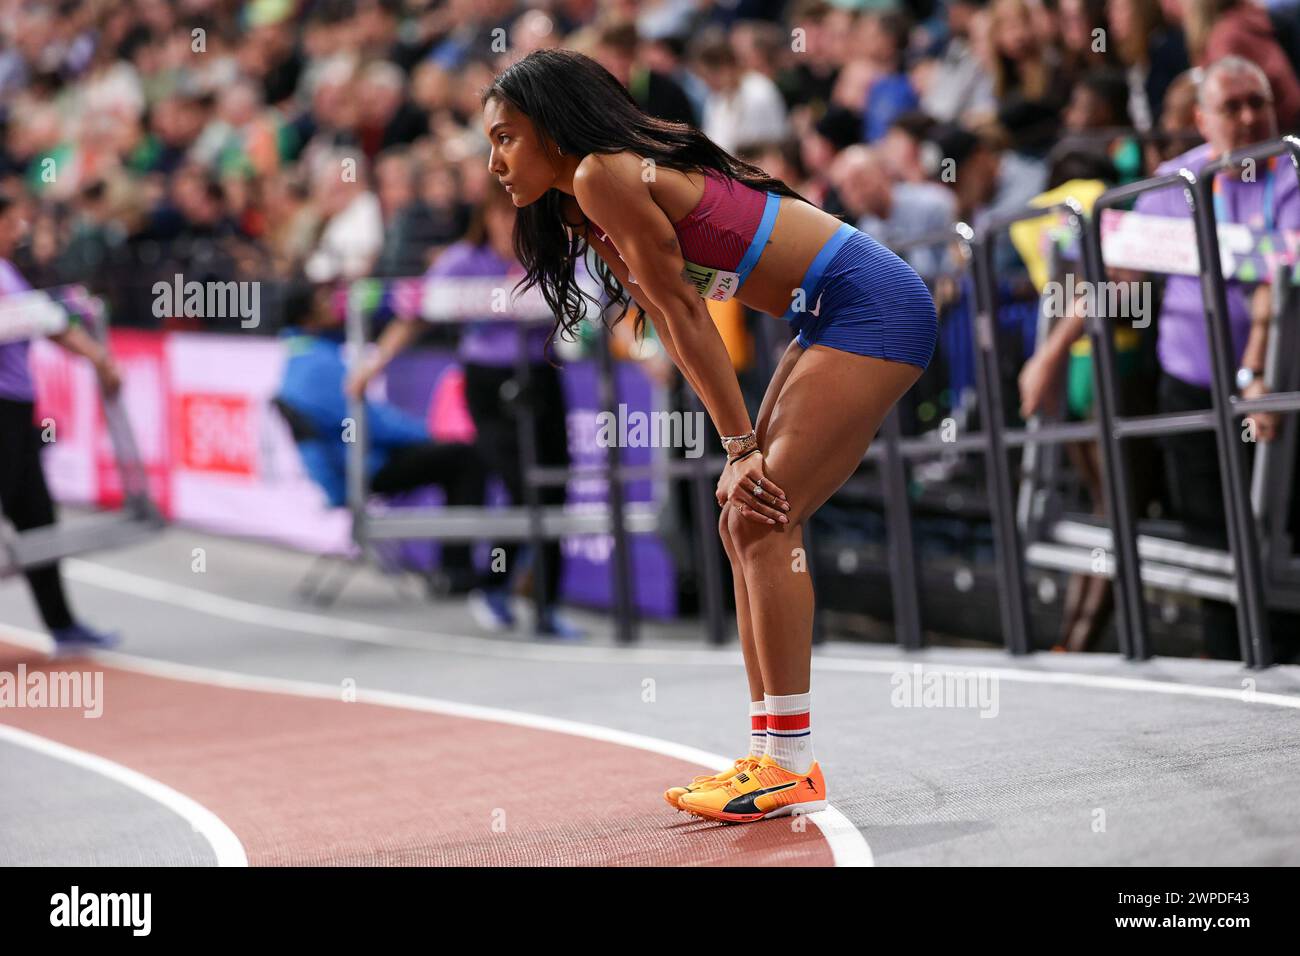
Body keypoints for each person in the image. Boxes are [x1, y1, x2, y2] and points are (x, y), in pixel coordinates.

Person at [481, 49, 936, 822]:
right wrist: (739, 445)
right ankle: (768, 755)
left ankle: (790, 764)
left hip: (870, 305)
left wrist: (740, 446)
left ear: (552, 129)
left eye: (506, 138)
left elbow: (687, 312)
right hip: (824, 313)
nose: (494, 162)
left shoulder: (601, 174)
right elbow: (665, 315)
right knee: (744, 520)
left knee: (762, 514)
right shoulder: (580, 201)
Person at [347, 183, 581, 639]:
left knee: (556, 486)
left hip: (541, 378)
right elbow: (414, 315)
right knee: (519, 484)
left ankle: (546, 607)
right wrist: (373, 364)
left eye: (522, 216)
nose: (510, 225)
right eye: (502, 215)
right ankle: (494, 587)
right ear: (486, 217)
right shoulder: (459, 262)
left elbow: (583, 314)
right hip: (488, 384)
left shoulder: (551, 256)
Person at [1133, 56, 1300, 661]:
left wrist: (1257, 376)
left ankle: (1282, 664)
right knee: (1210, 539)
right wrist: (1049, 354)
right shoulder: (1174, 181)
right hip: (1190, 388)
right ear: (1202, 119)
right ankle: (1231, 668)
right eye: (1233, 107)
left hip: (1272, 391)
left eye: (1260, 102)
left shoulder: (1290, 172)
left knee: (1277, 532)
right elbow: (1117, 265)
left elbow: (1278, 282)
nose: (1252, 116)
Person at [273, 281, 487, 594]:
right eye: (324, 301)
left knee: (452, 455)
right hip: (361, 469)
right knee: (463, 457)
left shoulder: (299, 357)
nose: (335, 305)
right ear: (306, 315)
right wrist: (430, 433)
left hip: (351, 465)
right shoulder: (318, 363)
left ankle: (455, 569)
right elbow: (370, 424)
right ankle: (457, 572)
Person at [0, 194, 123, 655]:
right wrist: (97, 356)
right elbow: (44, 320)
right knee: (29, 517)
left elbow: (44, 318)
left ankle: (63, 625)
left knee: (37, 521)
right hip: (2, 413)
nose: (20, 232)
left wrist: (94, 353)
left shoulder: (9, 271)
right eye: (11, 222)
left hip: (15, 412)